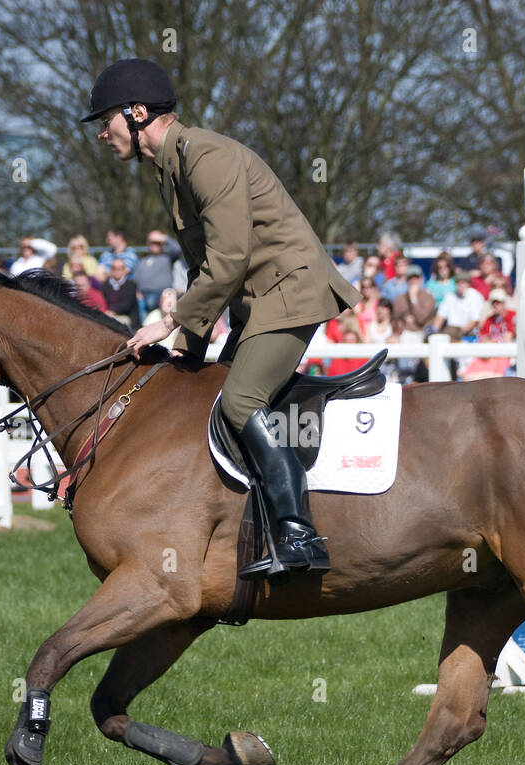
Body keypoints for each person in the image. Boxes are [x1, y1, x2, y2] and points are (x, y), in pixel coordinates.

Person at [87, 57, 360, 577]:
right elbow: (203, 269)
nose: (103, 133)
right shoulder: (171, 169)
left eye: (106, 120)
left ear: (138, 112)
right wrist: (183, 353)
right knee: (207, 391)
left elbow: (229, 261)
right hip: (256, 303)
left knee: (238, 400)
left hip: (290, 294)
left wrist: (167, 323)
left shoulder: (204, 156)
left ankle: (300, 536)